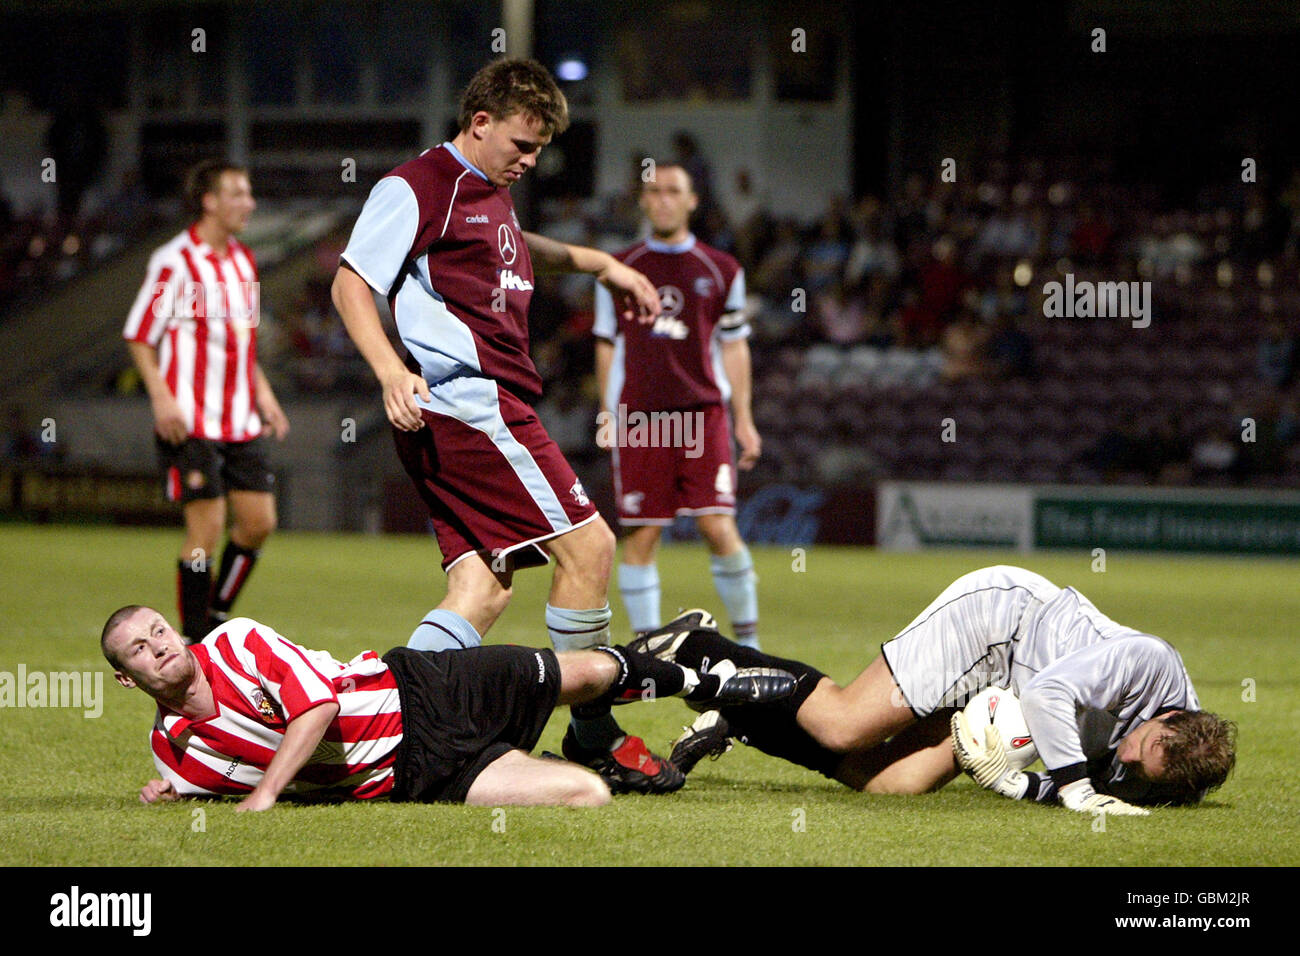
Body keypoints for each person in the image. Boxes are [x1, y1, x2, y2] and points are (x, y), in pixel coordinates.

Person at [329, 58, 679, 794]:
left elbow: (526, 253)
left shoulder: (486, 194)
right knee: (589, 548)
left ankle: (373, 728)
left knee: (480, 591)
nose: (529, 161)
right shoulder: (419, 184)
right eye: (521, 145)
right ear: (479, 121)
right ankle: (593, 734)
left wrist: (597, 264)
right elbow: (351, 280)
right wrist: (391, 369)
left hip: (461, 414)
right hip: (471, 406)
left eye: (540, 150)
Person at [639, 566, 1236, 815]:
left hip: (1010, 690)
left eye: (1141, 768)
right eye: (1142, 743)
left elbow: (1096, 778)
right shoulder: (1150, 663)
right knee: (845, 724)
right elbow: (1054, 692)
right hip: (1001, 627)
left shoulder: (1169, 764)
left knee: (889, 782)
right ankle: (696, 649)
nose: (1128, 757)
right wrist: (1079, 789)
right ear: (1174, 714)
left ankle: (740, 712)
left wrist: (1019, 785)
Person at [101, 605, 796, 810]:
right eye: (138, 649)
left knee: (585, 673)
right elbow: (201, 781)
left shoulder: (238, 642)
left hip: (423, 689)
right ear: (129, 680)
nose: (157, 646)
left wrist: (265, 797)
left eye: (158, 630)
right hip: (420, 778)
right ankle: (605, 762)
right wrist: (173, 794)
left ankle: (706, 683)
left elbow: (312, 715)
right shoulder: (178, 756)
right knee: (584, 798)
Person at [593, 163, 763, 648]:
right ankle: (649, 648)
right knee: (643, 534)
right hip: (641, 417)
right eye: (654, 191)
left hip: (704, 414)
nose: (663, 199)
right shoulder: (618, 268)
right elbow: (606, 342)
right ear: (643, 200)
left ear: (692, 201)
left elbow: (734, 345)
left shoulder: (722, 268)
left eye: (673, 191)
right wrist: (608, 413)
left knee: (717, 525)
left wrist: (745, 420)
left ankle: (748, 643)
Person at [123, 160, 289, 643]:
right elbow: (138, 336)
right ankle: (196, 639)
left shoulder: (244, 260)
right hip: (190, 421)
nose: (249, 203)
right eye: (237, 193)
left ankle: (213, 615)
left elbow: (243, 341)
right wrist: (162, 400)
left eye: (249, 193)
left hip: (239, 421)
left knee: (259, 522)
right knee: (208, 528)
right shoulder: (174, 261)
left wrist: (264, 395)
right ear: (209, 201)